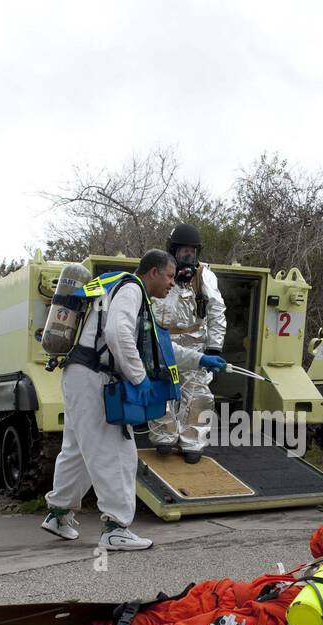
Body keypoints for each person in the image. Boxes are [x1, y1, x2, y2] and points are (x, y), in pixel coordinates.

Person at [42, 250, 226, 551]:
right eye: (168, 276)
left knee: (77, 450)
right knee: (118, 451)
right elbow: (118, 335)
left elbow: (161, 349)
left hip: (81, 375)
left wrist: (201, 358)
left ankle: (58, 514)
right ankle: (116, 528)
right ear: (152, 272)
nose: (172, 283)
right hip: (94, 377)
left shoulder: (128, 294)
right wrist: (139, 380)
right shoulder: (131, 290)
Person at [147, 224, 227, 464]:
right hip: (163, 341)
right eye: (183, 252)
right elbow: (153, 306)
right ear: (173, 251)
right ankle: (164, 436)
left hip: (194, 344)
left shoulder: (204, 275)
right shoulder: (160, 273)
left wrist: (214, 346)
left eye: (192, 252)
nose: (188, 256)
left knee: (198, 394)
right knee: (161, 390)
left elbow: (217, 310)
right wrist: (174, 282)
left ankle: (193, 441)